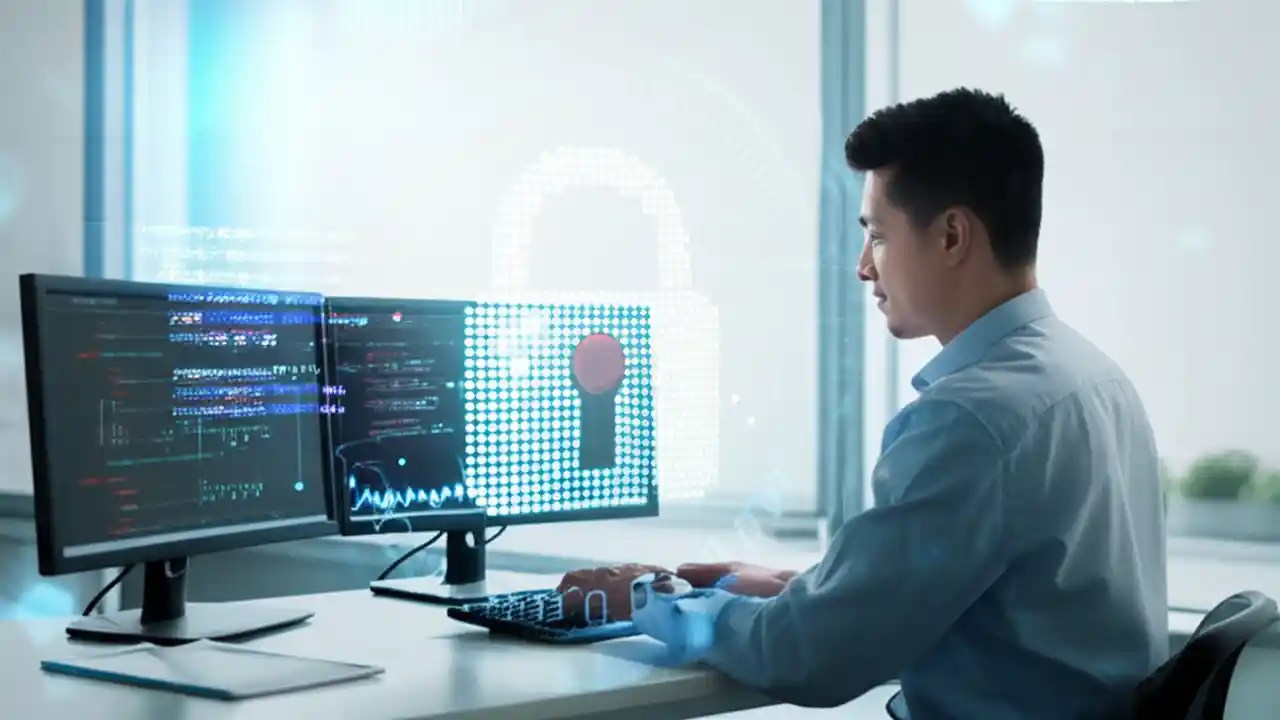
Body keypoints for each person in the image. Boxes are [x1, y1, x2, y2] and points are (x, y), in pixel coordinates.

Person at [558, 88, 1168, 718]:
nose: (862, 267)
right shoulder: (1096, 379)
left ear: (953, 235)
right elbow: (994, 593)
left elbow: (809, 657)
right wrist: (799, 590)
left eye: (876, 235)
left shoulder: (971, 421)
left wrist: (639, 599)